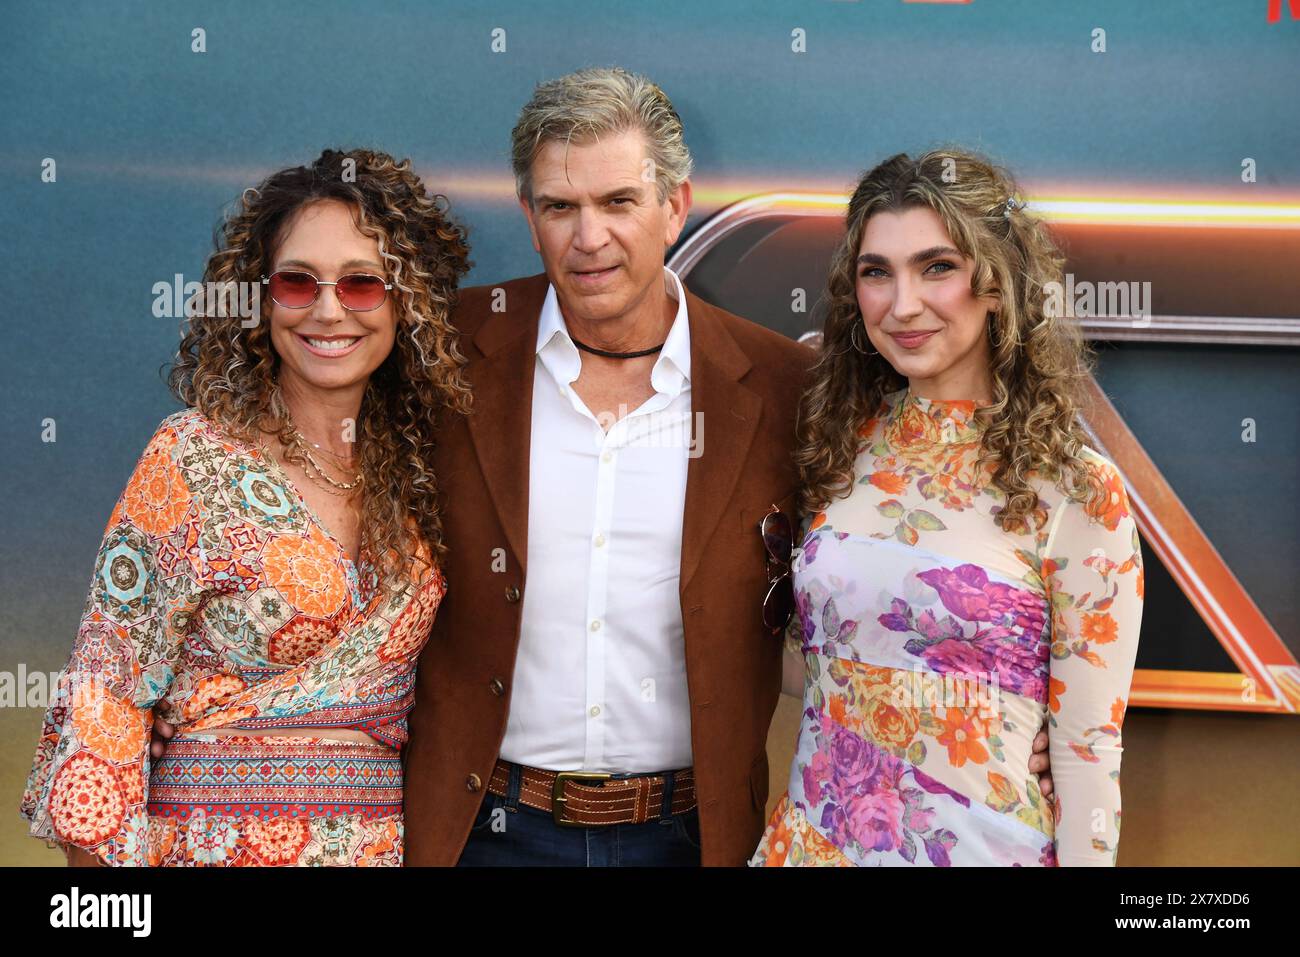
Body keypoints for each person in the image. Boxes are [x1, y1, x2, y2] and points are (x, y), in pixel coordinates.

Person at [401, 71, 1056, 867]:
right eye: (559, 207)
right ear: (529, 218)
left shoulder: (783, 388)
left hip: (691, 838)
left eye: (618, 202)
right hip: (480, 832)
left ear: (675, 206)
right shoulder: (444, 354)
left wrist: (1009, 714)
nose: (589, 237)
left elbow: (876, 578)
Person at [20, 148, 471, 866]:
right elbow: (104, 701)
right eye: (298, 282)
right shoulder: (191, 460)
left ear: (406, 301)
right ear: (261, 301)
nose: (328, 309)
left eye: (362, 284)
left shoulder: (425, 476)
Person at [751, 149, 1143, 867]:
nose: (903, 304)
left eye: (937, 267)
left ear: (997, 284)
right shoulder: (834, 450)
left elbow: (1088, 752)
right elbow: (817, 658)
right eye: (877, 272)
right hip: (815, 846)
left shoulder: (1076, 489)